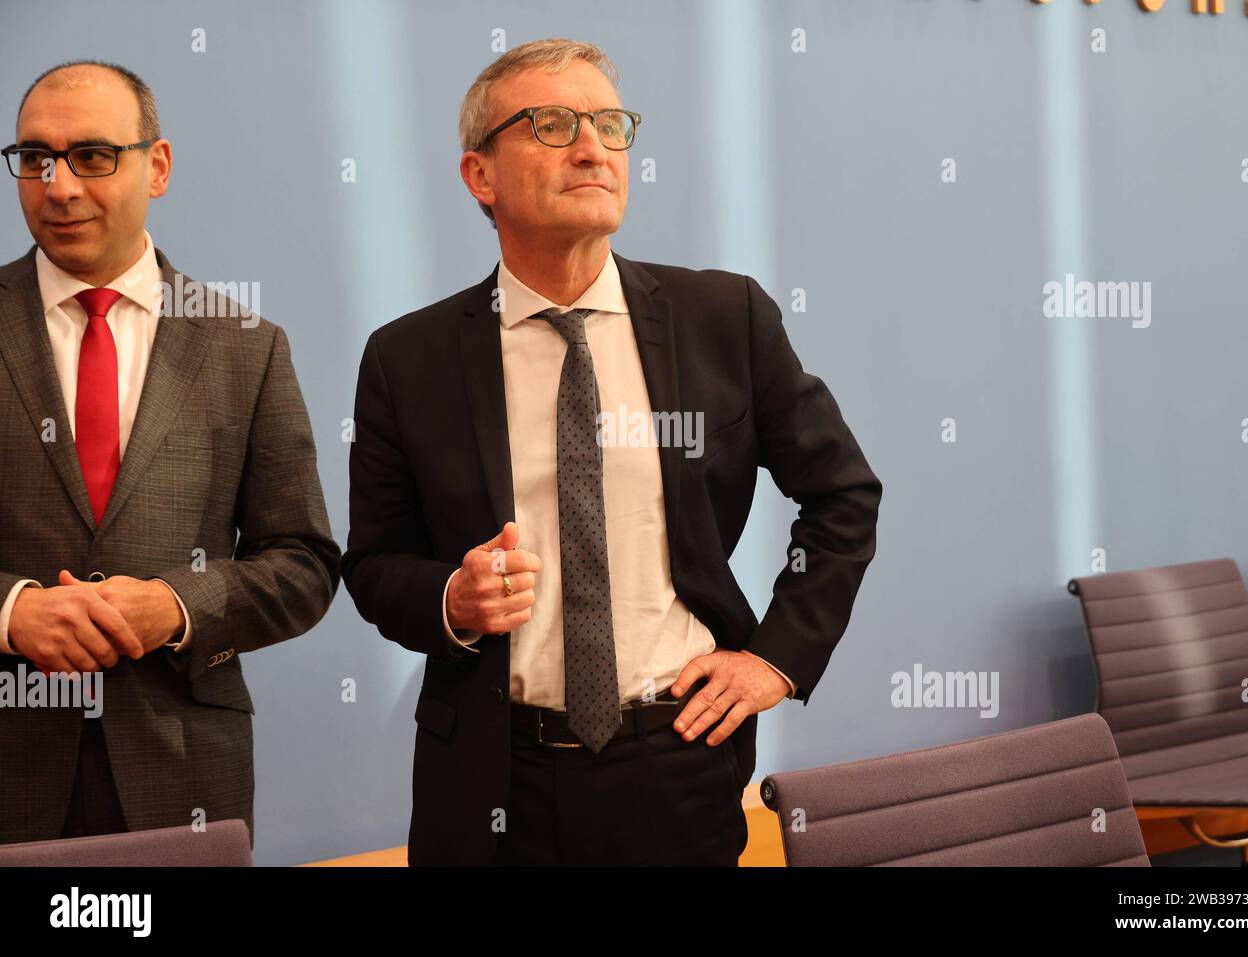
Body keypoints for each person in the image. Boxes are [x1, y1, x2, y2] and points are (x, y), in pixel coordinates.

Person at [343, 38, 881, 865]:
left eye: (609, 124)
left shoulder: (723, 317)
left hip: (674, 761)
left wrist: (777, 657)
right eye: (551, 125)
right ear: (479, 175)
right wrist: (452, 597)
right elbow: (375, 565)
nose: (592, 147)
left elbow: (843, 492)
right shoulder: (406, 358)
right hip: (489, 776)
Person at [0, 61, 339, 846]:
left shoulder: (246, 347)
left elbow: (306, 564)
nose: (57, 186)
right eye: (33, 158)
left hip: (184, 776)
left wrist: (177, 605)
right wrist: (13, 612)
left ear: (157, 167)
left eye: (91, 156)